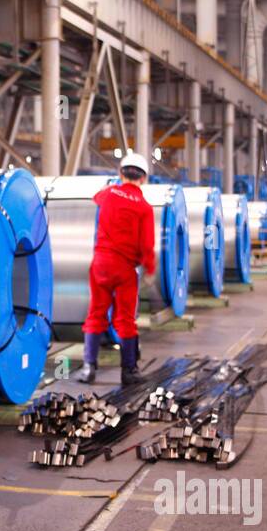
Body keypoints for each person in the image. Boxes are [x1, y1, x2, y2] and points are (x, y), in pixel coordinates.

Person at [76, 152, 157, 385]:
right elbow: (146, 246)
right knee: (125, 319)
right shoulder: (144, 208)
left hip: (100, 265)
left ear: (121, 174)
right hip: (124, 269)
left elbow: (96, 197)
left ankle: (88, 369)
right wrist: (149, 269)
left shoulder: (108, 194)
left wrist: (114, 187)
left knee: (96, 313)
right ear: (143, 179)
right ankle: (128, 371)